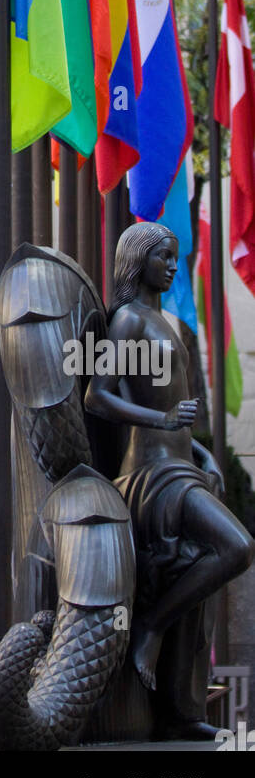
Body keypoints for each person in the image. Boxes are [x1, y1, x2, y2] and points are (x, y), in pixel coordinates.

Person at [84, 221, 254, 738]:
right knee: (238, 548)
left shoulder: (169, 323)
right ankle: (149, 628)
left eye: (176, 255)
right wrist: (163, 425)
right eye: (164, 256)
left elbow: (172, 410)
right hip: (153, 476)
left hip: (184, 467)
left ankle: (183, 713)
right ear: (138, 262)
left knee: (196, 593)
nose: (174, 264)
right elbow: (97, 395)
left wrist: (204, 452)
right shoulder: (129, 321)